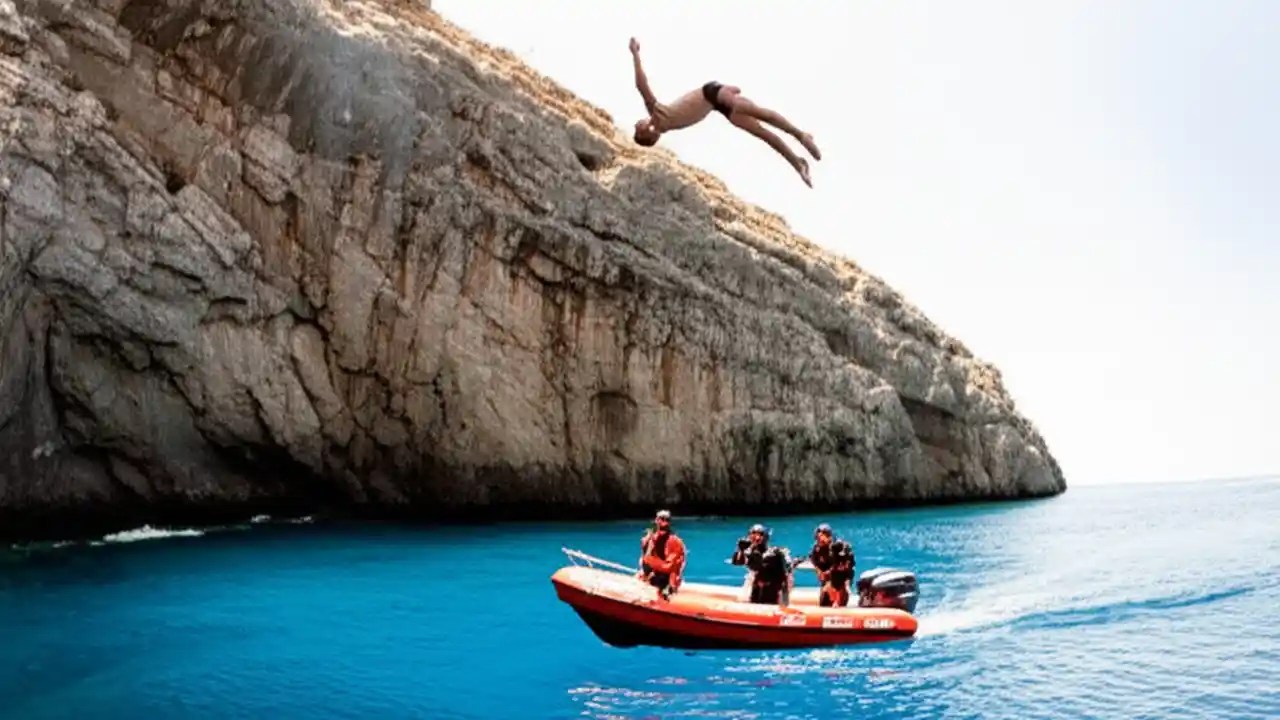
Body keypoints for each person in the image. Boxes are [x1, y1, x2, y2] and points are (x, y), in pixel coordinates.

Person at [627, 37, 822, 188]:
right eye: (640, 127)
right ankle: (798, 163)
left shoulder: (656, 113)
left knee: (757, 113)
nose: (640, 123)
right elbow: (643, 95)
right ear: (647, 133)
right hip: (717, 107)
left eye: (639, 124)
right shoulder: (659, 123)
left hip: (710, 92)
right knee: (762, 133)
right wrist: (646, 133)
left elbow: (641, 85)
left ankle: (801, 135)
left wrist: (635, 54)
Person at [730, 524, 791, 604]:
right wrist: (740, 550)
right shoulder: (748, 552)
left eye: (760, 534)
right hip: (757, 587)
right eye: (753, 534)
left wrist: (785, 599)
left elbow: (786, 575)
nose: (757, 538)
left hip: (772, 587)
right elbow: (737, 562)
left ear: (766, 537)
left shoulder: (775, 553)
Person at [638, 509, 686, 599]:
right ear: (656, 522)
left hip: (668, 583)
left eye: (665, 520)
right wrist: (645, 547)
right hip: (652, 578)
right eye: (661, 519)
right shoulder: (651, 539)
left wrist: (649, 560)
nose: (663, 522)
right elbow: (644, 561)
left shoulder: (675, 542)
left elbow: (670, 567)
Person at [808, 523, 855, 607]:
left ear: (829, 537)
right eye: (817, 538)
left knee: (839, 599)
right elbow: (814, 561)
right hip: (828, 579)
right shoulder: (816, 549)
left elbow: (847, 567)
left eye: (821, 538)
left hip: (840, 579)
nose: (819, 541)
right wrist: (819, 571)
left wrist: (846, 583)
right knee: (824, 603)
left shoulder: (839, 548)